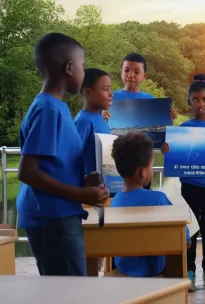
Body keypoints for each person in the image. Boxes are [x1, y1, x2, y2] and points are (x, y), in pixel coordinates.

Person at [16, 33, 109, 276]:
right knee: (69, 294)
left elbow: (56, 166)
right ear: (69, 68)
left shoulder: (59, 107)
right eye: (82, 65)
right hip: (52, 219)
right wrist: (79, 193)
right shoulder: (47, 109)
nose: (83, 70)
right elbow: (27, 172)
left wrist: (86, 182)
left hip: (61, 214)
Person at [161, 74, 205, 291]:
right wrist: (166, 149)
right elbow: (174, 155)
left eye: (204, 99)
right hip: (189, 186)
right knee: (191, 230)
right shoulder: (182, 128)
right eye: (196, 99)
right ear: (189, 102)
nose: (200, 103)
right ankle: (188, 272)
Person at [110, 132, 190, 277]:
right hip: (153, 273)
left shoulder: (115, 202)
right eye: (152, 166)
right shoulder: (159, 199)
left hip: (124, 271)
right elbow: (183, 236)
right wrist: (187, 238)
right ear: (143, 172)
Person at [105, 53, 176, 190]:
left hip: (142, 166)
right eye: (126, 70)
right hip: (117, 164)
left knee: (143, 203)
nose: (131, 75)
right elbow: (103, 129)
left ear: (144, 76)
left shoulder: (152, 100)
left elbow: (157, 138)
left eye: (136, 72)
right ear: (121, 73)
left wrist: (168, 117)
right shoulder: (110, 98)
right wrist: (103, 117)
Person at [74, 68, 113, 176]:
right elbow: (70, 159)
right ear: (88, 92)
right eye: (106, 89)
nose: (111, 94)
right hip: (89, 190)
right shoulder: (83, 121)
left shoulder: (100, 118)